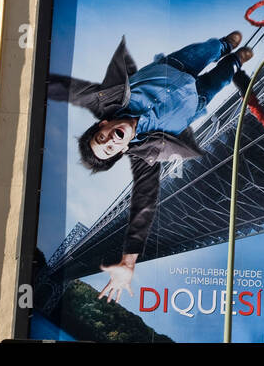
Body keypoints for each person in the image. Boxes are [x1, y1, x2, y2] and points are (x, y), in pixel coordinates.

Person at [48, 31, 252, 302]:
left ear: (103, 124)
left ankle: (224, 45)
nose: (109, 141)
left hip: (177, 66)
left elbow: (69, 90)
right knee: (226, 73)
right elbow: (143, 204)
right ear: (120, 152)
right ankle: (234, 61)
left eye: (101, 137)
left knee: (215, 47)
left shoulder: (109, 100)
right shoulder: (146, 154)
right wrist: (129, 262)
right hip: (196, 100)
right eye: (109, 148)